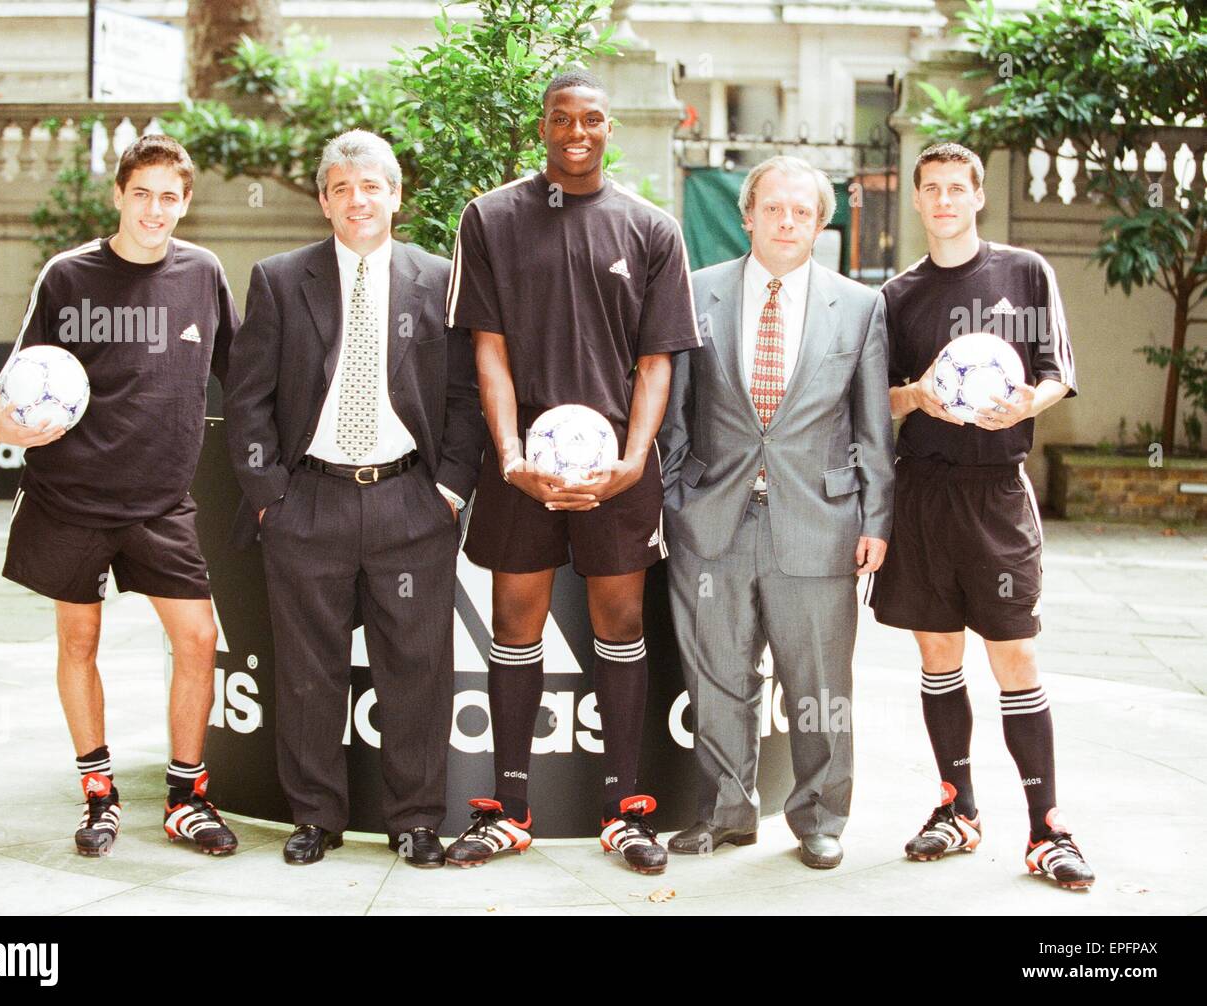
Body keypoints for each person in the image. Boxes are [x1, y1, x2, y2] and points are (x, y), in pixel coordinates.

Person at [442, 69, 700, 874]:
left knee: (619, 624)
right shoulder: (489, 218)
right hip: (521, 472)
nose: (576, 132)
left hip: (617, 472)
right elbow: (490, 349)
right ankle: (509, 809)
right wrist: (512, 458)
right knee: (515, 619)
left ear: (610, 127)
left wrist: (632, 462)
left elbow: (657, 363)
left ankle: (623, 810)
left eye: (591, 119)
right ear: (542, 126)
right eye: (562, 118)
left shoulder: (651, 229)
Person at [223, 130, 486, 868]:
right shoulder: (280, 279)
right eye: (342, 188)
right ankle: (314, 816)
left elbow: (466, 398)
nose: (358, 200)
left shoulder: (439, 280)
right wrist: (271, 495)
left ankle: (415, 820)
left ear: (396, 196)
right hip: (309, 502)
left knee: (418, 671)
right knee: (308, 672)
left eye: (372, 186)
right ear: (324, 200)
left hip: (411, 501)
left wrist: (449, 490)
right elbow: (248, 400)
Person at [0, 134, 240, 858]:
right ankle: (98, 794)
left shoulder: (203, 272)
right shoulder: (68, 276)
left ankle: (186, 797)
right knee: (81, 639)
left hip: (161, 499)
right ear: (119, 195)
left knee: (198, 639)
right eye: (142, 193)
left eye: (170, 196)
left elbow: (245, 374)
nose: (155, 209)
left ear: (185, 203)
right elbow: (15, 387)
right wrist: (10, 424)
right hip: (71, 494)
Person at [658, 155, 894, 869]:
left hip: (818, 524)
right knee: (719, 677)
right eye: (773, 208)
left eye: (802, 211)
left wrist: (875, 521)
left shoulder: (858, 306)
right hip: (712, 520)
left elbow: (871, 424)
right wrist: (674, 502)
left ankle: (821, 816)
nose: (787, 221)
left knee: (820, 683)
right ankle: (727, 812)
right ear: (747, 214)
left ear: (821, 224)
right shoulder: (695, 294)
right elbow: (673, 414)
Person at [869, 142, 1092, 889]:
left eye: (956, 189)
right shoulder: (896, 297)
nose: (943, 200)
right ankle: (956, 808)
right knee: (938, 656)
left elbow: (1059, 374)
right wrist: (919, 396)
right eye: (930, 188)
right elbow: (878, 400)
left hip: (997, 492)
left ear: (977, 196)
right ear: (917, 198)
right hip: (923, 492)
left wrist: (1028, 401)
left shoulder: (1025, 272)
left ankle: (1046, 829)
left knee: (1015, 655)